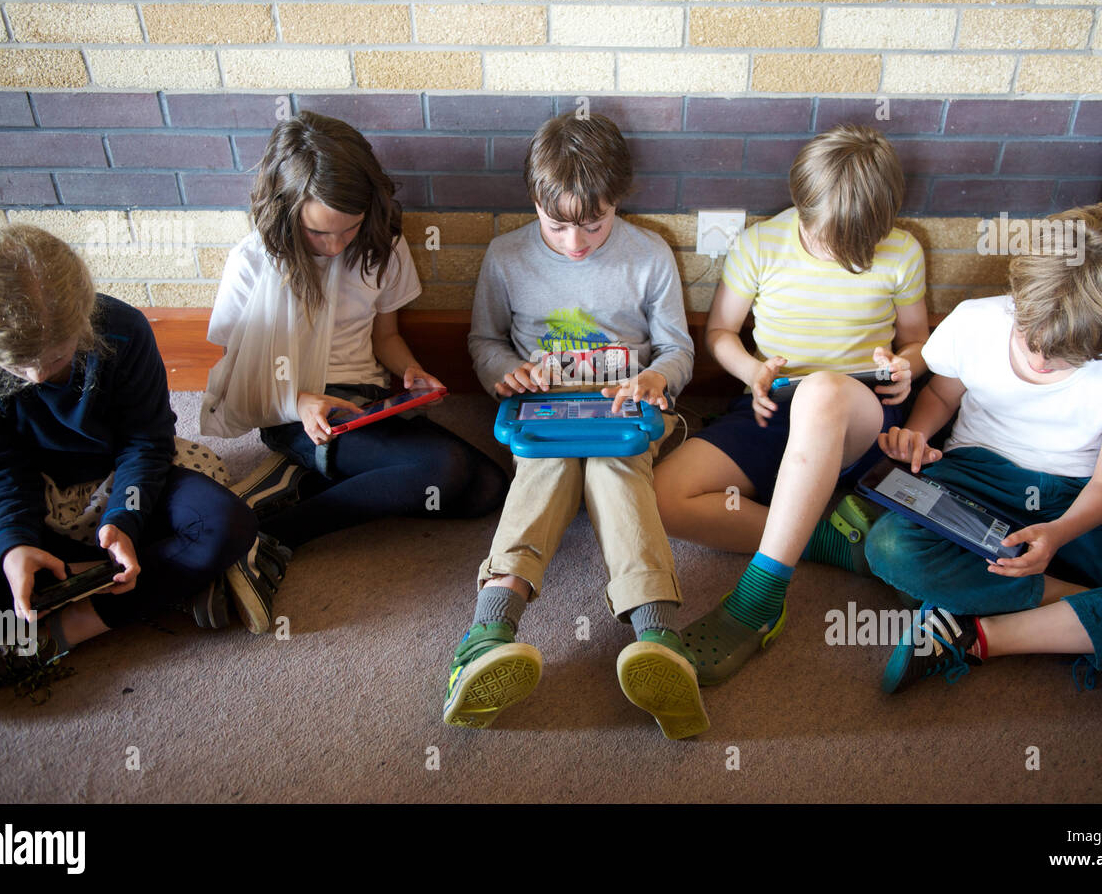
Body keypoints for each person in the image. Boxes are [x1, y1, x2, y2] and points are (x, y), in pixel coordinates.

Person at [866, 204, 1102, 714]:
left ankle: (981, 634)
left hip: (1079, 502)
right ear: (1019, 297)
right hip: (973, 477)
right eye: (1030, 340)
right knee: (891, 544)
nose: (1039, 361)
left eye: (1064, 356)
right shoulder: (976, 321)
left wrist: (1058, 533)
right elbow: (942, 396)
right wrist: (918, 433)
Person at [445, 112, 708, 739]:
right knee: (546, 466)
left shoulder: (648, 253)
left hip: (627, 407)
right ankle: (487, 634)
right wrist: (505, 373)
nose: (575, 242)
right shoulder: (506, 256)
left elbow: (678, 349)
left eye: (594, 223)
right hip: (545, 410)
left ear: (618, 200)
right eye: (557, 224)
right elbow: (484, 342)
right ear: (534, 202)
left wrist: (657, 379)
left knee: (617, 469)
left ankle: (658, 639)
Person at [203, 111, 506, 631]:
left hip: (366, 404)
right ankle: (269, 535)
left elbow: (386, 338)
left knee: (489, 488)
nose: (337, 244)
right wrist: (300, 402)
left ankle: (296, 483)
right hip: (298, 413)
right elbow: (239, 368)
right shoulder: (254, 260)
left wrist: (411, 371)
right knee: (446, 471)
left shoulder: (382, 246)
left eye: (350, 227)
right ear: (287, 212)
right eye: (319, 232)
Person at [0, 225, 257, 710]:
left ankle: (57, 633)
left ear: (83, 319)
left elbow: (145, 443)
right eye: (16, 369)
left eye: (55, 357)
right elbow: (2, 475)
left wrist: (124, 519)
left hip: (124, 478)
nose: (36, 376)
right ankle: (159, 582)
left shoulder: (124, 328)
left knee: (226, 524)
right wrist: (13, 546)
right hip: (35, 496)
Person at [653, 125, 928, 684]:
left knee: (822, 388)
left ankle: (760, 597)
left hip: (858, 417)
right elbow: (721, 332)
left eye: (855, 246)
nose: (838, 254)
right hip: (772, 409)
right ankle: (831, 541)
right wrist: (750, 370)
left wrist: (908, 366)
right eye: (827, 240)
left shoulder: (902, 251)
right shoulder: (760, 245)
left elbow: (918, 340)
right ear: (802, 207)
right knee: (660, 497)